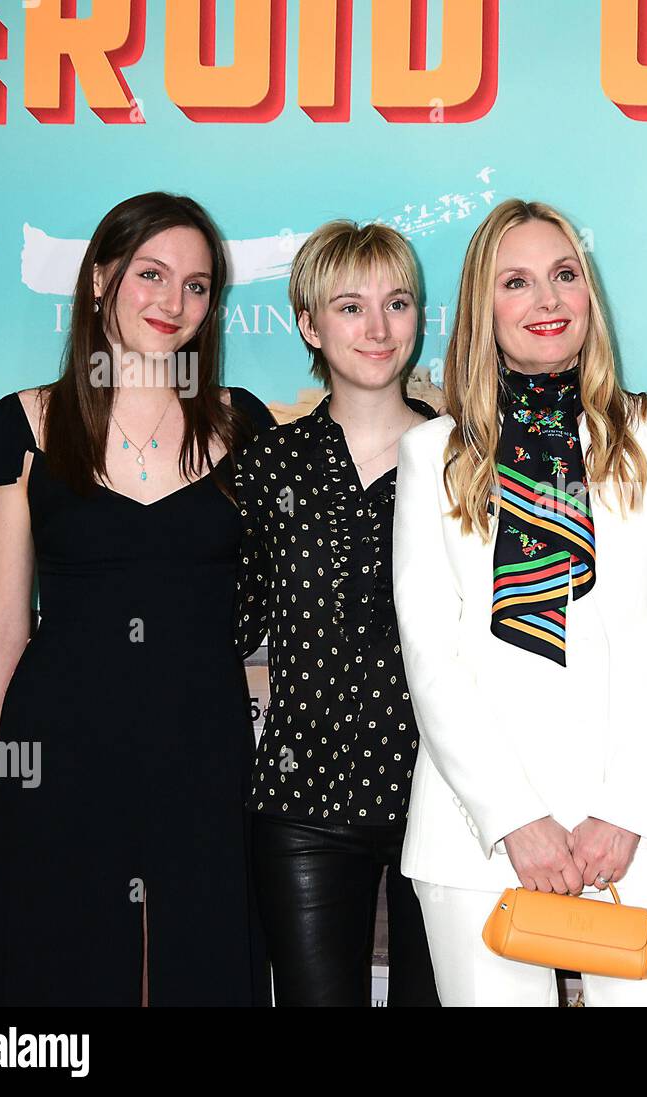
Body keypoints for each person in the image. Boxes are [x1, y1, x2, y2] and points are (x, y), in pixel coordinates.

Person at [0, 192, 273, 1005]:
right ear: (100, 279)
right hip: (57, 756)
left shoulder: (248, 426)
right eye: (151, 274)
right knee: (59, 982)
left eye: (198, 285)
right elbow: (2, 629)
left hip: (204, 755)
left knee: (198, 967)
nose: (174, 302)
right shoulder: (23, 424)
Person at [392, 199, 647, 1006]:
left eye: (564, 276)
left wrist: (626, 812)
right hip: (478, 839)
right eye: (517, 282)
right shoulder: (431, 455)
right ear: (483, 308)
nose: (547, 301)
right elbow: (430, 656)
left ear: (589, 295)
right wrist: (514, 817)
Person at [235, 221, 439, 1006]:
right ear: (311, 325)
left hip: (445, 800)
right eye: (350, 307)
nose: (379, 328)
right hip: (302, 806)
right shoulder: (266, 464)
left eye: (397, 302)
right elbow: (232, 623)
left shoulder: (463, 459)